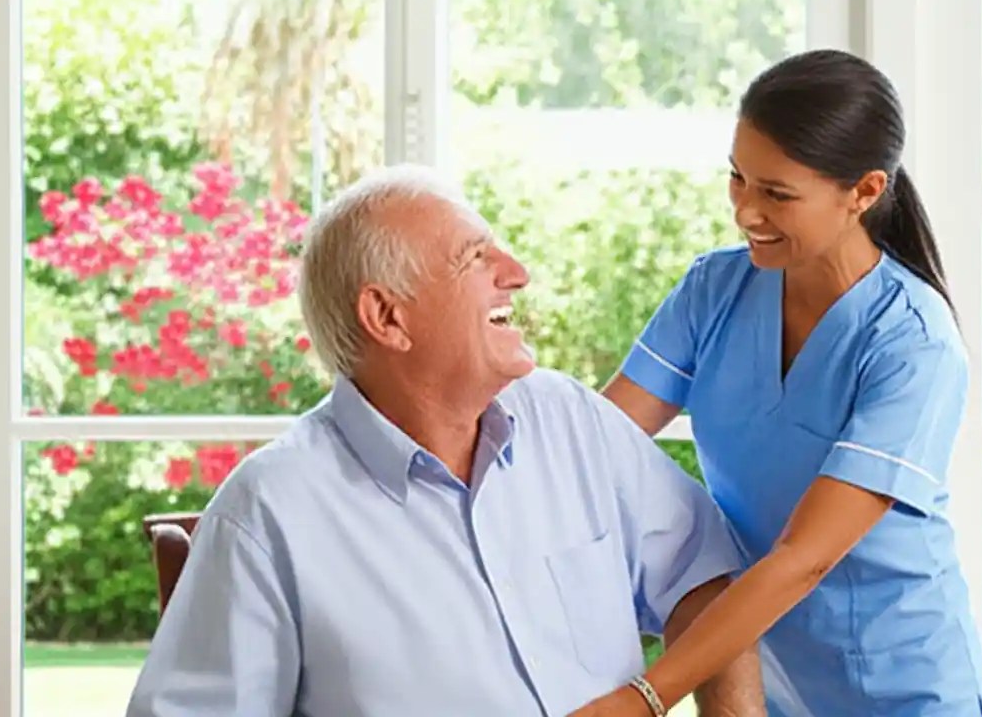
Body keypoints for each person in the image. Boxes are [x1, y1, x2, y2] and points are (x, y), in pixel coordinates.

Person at [124, 165, 764, 716]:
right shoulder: (269, 510)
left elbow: (707, 579)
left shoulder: (569, 419)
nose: (517, 273)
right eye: (475, 258)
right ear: (388, 318)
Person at [571, 49, 982, 717]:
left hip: (904, 690)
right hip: (774, 681)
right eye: (738, 179)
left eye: (777, 193)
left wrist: (649, 697)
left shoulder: (912, 342)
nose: (745, 211)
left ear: (864, 192)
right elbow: (594, 449)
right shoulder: (714, 291)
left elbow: (805, 557)